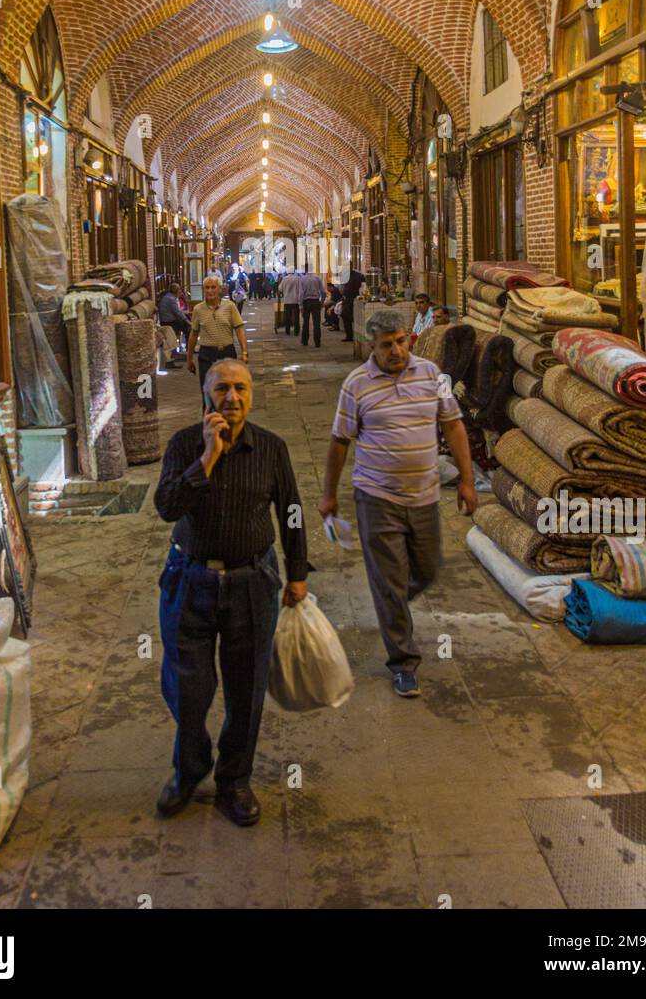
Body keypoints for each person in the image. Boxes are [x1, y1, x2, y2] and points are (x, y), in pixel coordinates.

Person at [153, 360, 309, 826]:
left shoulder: (271, 448)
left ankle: (234, 780)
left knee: (246, 691)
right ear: (207, 394)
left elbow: (292, 511)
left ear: (252, 394)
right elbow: (166, 507)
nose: (232, 398)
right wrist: (208, 456)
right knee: (187, 690)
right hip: (190, 582)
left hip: (251, 584)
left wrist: (298, 572)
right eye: (222, 389)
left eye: (241, 388)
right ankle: (190, 768)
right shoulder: (184, 444)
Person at [319, 308, 478, 698]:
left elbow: (453, 424)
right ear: (373, 346)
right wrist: (329, 495)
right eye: (387, 345)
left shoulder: (431, 376)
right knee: (389, 580)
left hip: (424, 495)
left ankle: (390, 605)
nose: (397, 351)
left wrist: (467, 480)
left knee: (426, 569)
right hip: (376, 496)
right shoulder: (356, 385)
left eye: (402, 341)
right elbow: (340, 441)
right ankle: (403, 662)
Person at [187, 275, 248, 394]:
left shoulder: (230, 306)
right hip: (206, 355)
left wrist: (244, 352)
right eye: (207, 288)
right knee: (208, 393)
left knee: (227, 394)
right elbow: (193, 335)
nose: (210, 291)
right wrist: (189, 359)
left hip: (227, 353)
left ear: (220, 289)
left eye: (213, 287)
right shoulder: (198, 310)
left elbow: (239, 330)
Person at [157, 281, 192, 348]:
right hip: (169, 322)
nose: (180, 291)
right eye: (179, 290)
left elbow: (176, 310)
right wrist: (189, 322)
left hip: (166, 321)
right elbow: (178, 313)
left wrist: (183, 313)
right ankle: (189, 347)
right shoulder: (171, 299)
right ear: (176, 291)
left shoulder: (167, 296)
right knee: (189, 328)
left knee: (186, 317)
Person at [298, 266, 325, 347]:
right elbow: (323, 291)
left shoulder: (302, 279)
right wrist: (322, 301)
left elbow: (301, 293)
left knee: (305, 322)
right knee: (316, 323)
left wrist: (301, 306)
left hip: (306, 302)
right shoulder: (317, 278)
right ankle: (317, 342)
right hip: (316, 301)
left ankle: (305, 341)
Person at [340, 267, 364, 344]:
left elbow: (345, 287)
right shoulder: (358, 275)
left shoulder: (348, 275)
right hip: (354, 298)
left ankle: (350, 335)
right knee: (348, 316)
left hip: (350, 299)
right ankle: (350, 335)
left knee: (346, 315)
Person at [280, 269, 302, 336]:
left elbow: (280, 288)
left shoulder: (284, 279)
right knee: (296, 317)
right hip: (295, 301)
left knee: (287, 316)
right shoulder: (298, 278)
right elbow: (300, 290)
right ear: (294, 272)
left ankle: (287, 331)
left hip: (287, 300)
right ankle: (296, 331)